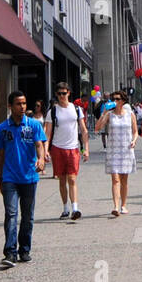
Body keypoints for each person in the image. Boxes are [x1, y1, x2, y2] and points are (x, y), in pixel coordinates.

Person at [0, 91, 47, 268]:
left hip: (29, 177)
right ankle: (10, 252)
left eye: (24, 103)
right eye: (18, 104)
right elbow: (0, 154)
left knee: (28, 216)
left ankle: (24, 249)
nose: (22, 107)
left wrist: (40, 160)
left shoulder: (33, 125)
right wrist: (0, 177)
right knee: (11, 214)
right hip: (10, 178)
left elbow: (39, 145)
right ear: (10, 106)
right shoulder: (3, 128)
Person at [45, 82, 89, 220]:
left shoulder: (76, 109)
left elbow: (83, 130)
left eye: (64, 93)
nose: (62, 96)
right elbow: (47, 133)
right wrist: (45, 150)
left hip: (73, 148)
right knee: (62, 179)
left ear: (69, 93)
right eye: (59, 94)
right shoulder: (52, 111)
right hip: (58, 148)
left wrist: (86, 149)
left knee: (72, 178)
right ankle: (65, 208)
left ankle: (75, 208)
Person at [96, 90, 138, 216]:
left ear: (123, 101)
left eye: (118, 99)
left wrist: (134, 141)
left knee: (124, 180)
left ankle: (123, 205)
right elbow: (97, 128)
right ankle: (115, 206)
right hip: (113, 150)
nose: (115, 101)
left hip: (126, 150)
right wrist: (103, 113)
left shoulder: (130, 114)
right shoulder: (109, 114)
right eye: (114, 99)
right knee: (115, 179)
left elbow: (135, 131)